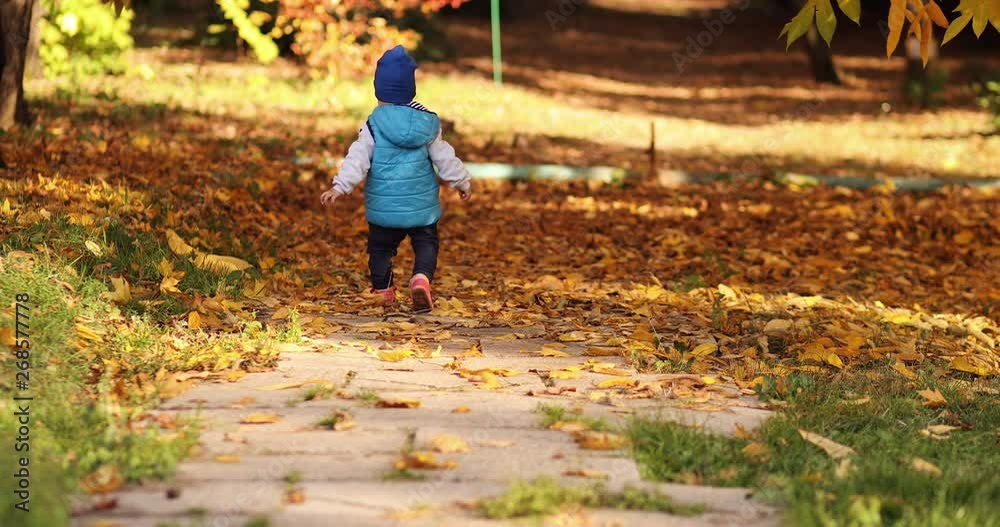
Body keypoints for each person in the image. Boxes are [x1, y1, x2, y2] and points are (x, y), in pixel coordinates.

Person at [321, 45, 472, 313]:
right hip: (421, 208)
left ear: (379, 91)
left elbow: (358, 158)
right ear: (410, 90)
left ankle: (383, 291)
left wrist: (340, 186)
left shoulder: (373, 124)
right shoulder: (427, 124)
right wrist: (461, 181)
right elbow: (444, 158)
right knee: (426, 243)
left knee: (380, 249)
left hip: (384, 210)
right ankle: (421, 279)